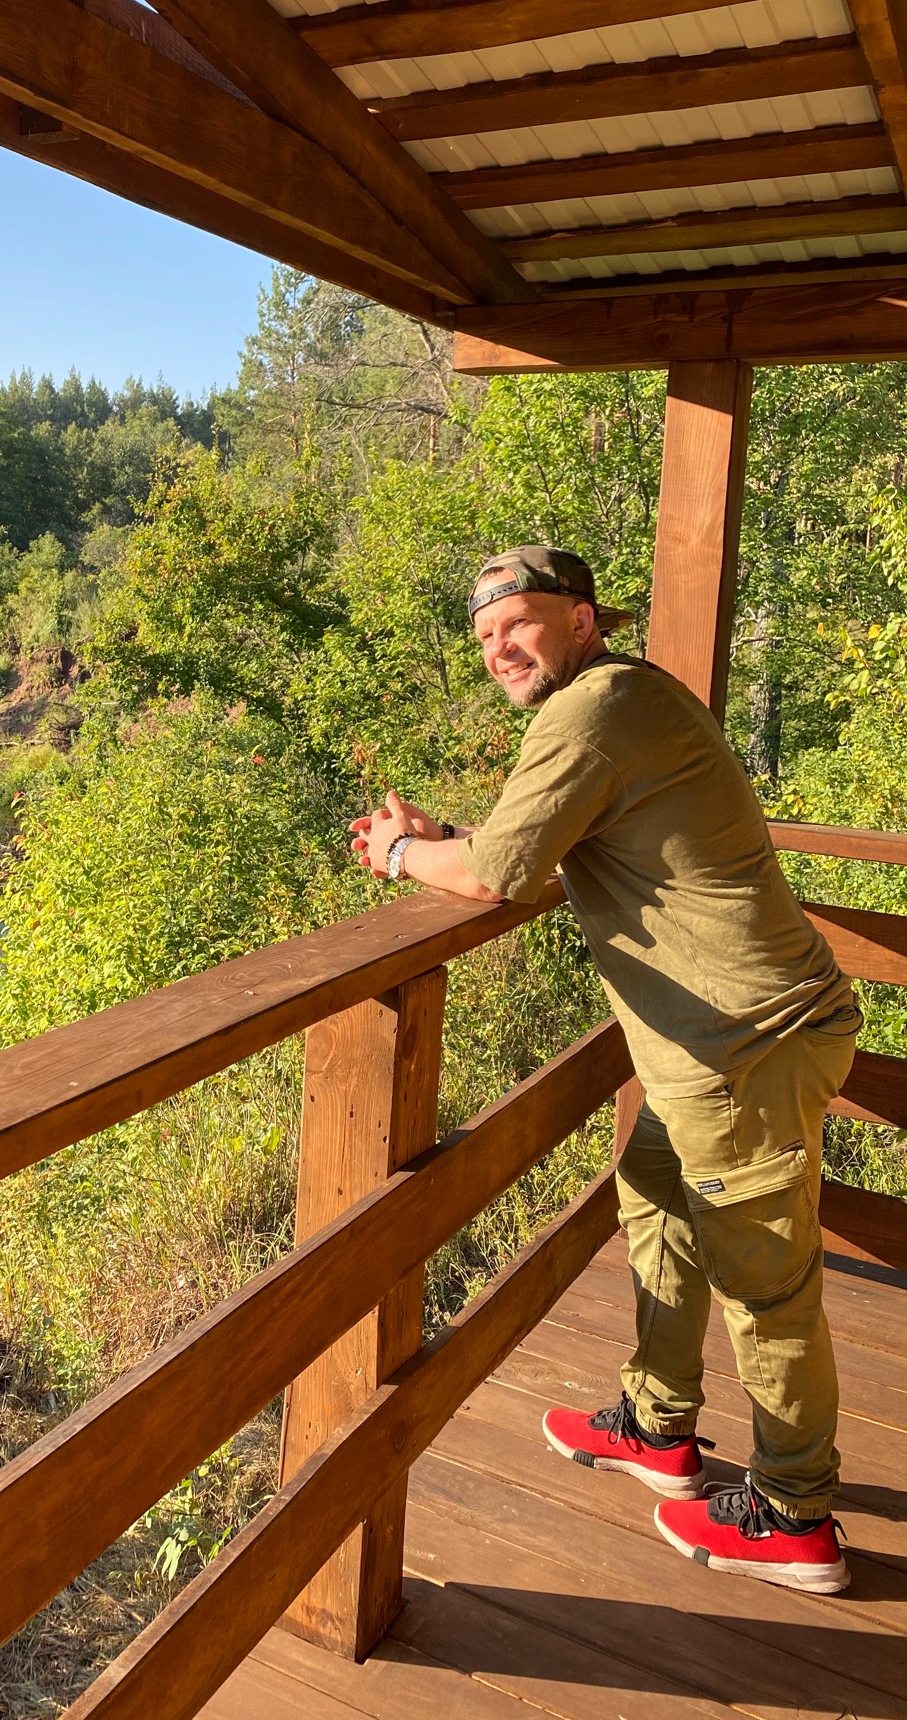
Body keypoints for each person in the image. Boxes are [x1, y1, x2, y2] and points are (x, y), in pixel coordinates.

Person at [350, 545, 860, 1595]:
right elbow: (532, 847)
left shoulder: (593, 708)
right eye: (485, 636)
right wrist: (448, 834)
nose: (499, 648)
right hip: (714, 1048)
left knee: (765, 1285)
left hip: (745, 1047)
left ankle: (795, 1510)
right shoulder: (619, 703)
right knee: (656, 1202)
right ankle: (659, 1425)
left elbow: (496, 874)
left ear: (581, 621)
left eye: (518, 624)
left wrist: (407, 855)